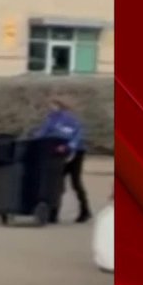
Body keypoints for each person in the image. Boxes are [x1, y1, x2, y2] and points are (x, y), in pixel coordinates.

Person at [32, 95, 91, 223]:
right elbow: (43, 132)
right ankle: (54, 213)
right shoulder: (51, 119)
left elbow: (77, 135)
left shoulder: (70, 119)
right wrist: (33, 140)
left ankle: (85, 211)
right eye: (50, 106)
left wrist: (69, 147)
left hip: (75, 153)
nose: (51, 108)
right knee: (56, 184)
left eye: (53, 105)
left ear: (59, 105)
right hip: (57, 154)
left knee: (75, 182)